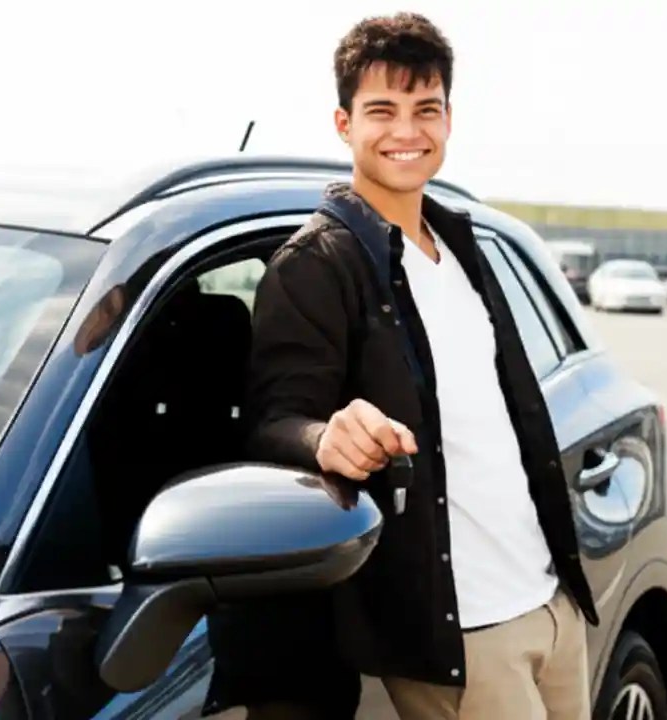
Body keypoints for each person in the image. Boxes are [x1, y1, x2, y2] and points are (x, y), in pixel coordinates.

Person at [205, 12, 600, 720]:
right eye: (381, 111)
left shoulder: (461, 243)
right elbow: (273, 421)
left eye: (427, 109)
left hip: (551, 599)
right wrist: (324, 438)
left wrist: (561, 594)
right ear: (343, 123)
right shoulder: (318, 265)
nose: (406, 132)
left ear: (449, 118)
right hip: (461, 633)